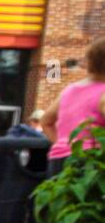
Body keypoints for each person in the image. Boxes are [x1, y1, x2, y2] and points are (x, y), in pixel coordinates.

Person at [43, 35, 105, 178]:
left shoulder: (70, 90)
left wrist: (62, 144)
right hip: (90, 161)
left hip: (58, 161)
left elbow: (46, 121)